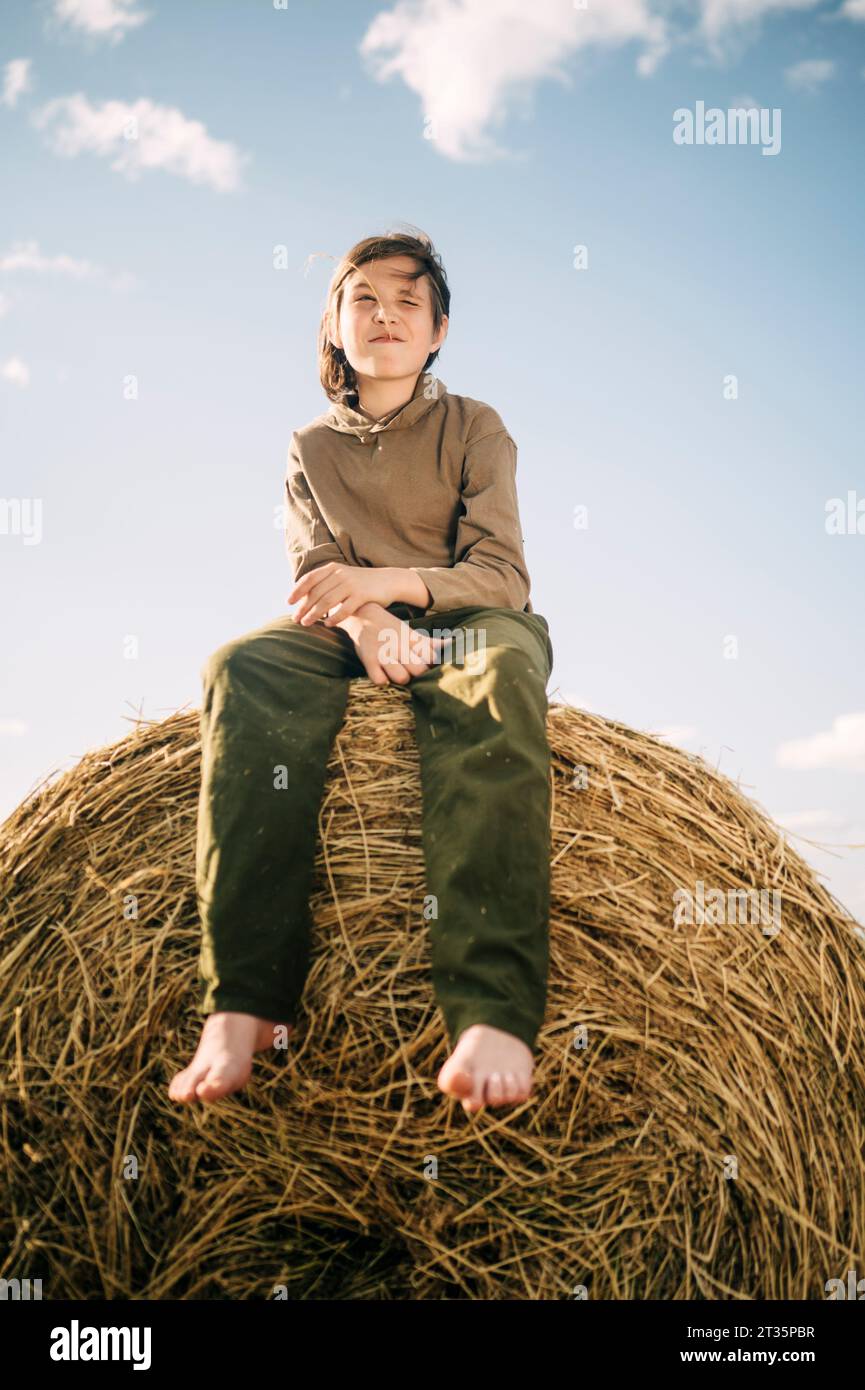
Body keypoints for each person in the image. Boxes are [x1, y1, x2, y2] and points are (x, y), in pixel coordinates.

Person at [168, 229, 554, 1115]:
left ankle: (490, 1007)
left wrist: (385, 589)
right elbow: (313, 574)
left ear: (439, 331)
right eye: (364, 301)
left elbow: (501, 574)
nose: (385, 316)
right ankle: (242, 1001)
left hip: (471, 624)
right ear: (335, 327)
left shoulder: (475, 427)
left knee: (495, 683)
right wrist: (372, 625)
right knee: (242, 665)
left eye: (407, 303)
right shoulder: (308, 446)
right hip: (347, 631)